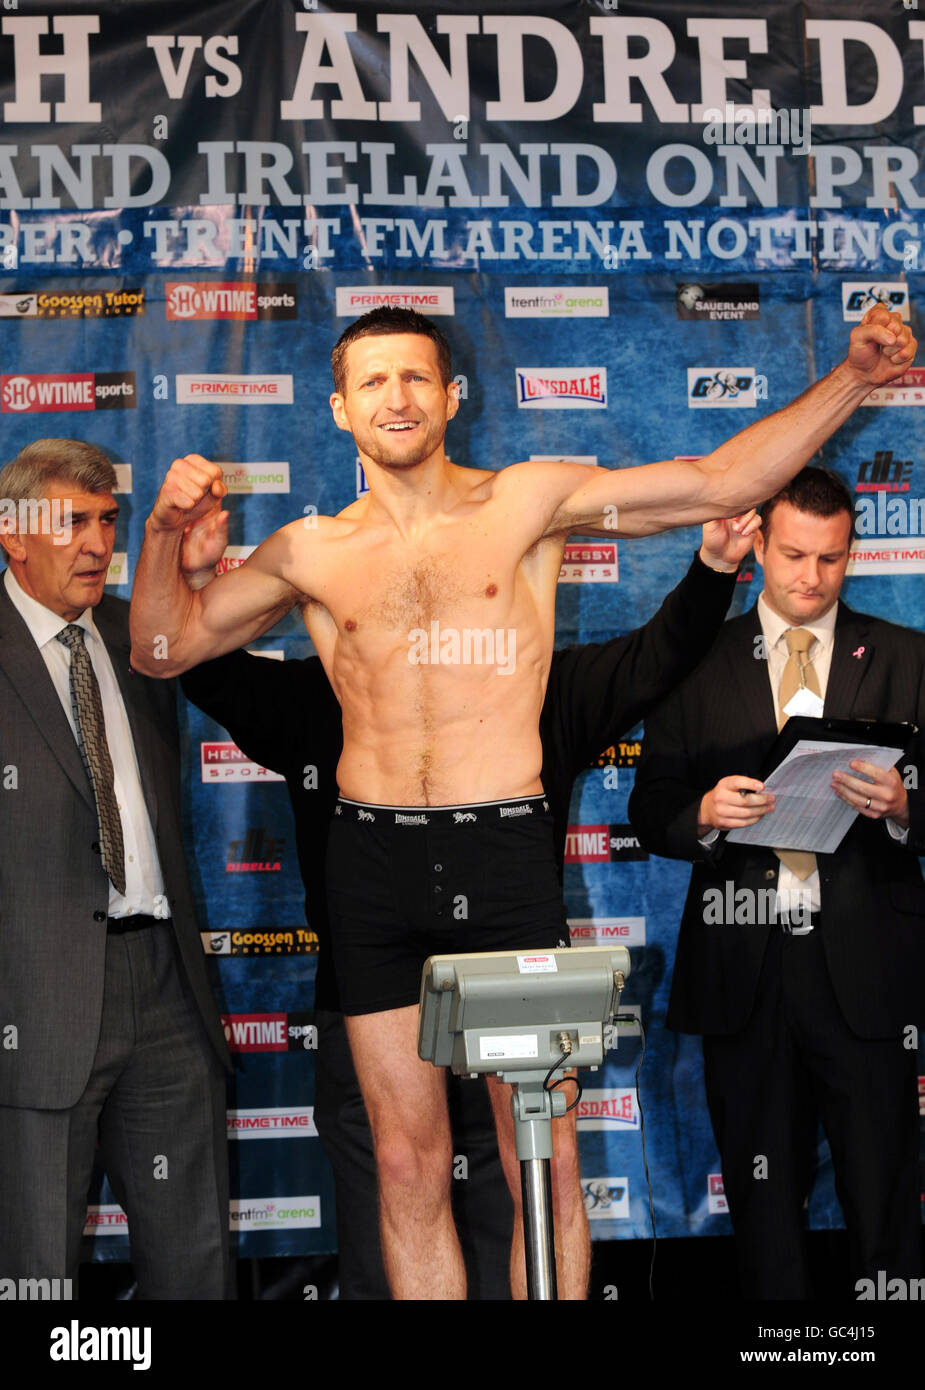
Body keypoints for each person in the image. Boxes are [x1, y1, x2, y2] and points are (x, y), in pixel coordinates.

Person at [129, 302, 915, 1300]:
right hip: (371, 870)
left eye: (415, 377)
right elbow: (161, 648)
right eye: (372, 382)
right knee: (409, 1166)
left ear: (453, 396)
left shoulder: (527, 501)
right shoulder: (307, 551)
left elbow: (725, 481)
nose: (397, 397)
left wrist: (851, 376)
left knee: (533, 1162)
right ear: (336, 409)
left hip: (500, 858)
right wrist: (161, 535)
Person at [180, 513, 753, 1298]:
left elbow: (652, 660)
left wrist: (714, 567)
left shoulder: (535, 686)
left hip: (510, 969)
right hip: (369, 986)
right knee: (395, 1186)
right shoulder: (321, 695)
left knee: (542, 1184)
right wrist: (194, 582)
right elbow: (199, 666)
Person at [629, 466, 925, 1298]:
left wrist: (906, 806)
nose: (810, 577)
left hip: (866, 970)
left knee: (886, 1199)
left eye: (830, 560)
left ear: (852, 553)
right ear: (756, 543)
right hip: (743, 970)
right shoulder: (693, 664)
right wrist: (703, 811)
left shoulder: (907, 658)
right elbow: (648, 806)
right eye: (793, 554)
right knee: (762, 1209)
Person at [0, 439, 231, 1300]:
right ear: (13, 536)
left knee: (194, 1261)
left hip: (165, 987)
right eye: (72, 523)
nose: (98, 543)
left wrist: (197, 585)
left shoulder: (143, 638)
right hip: (30, 1007)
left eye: (107, 522)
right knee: (33, 1273)